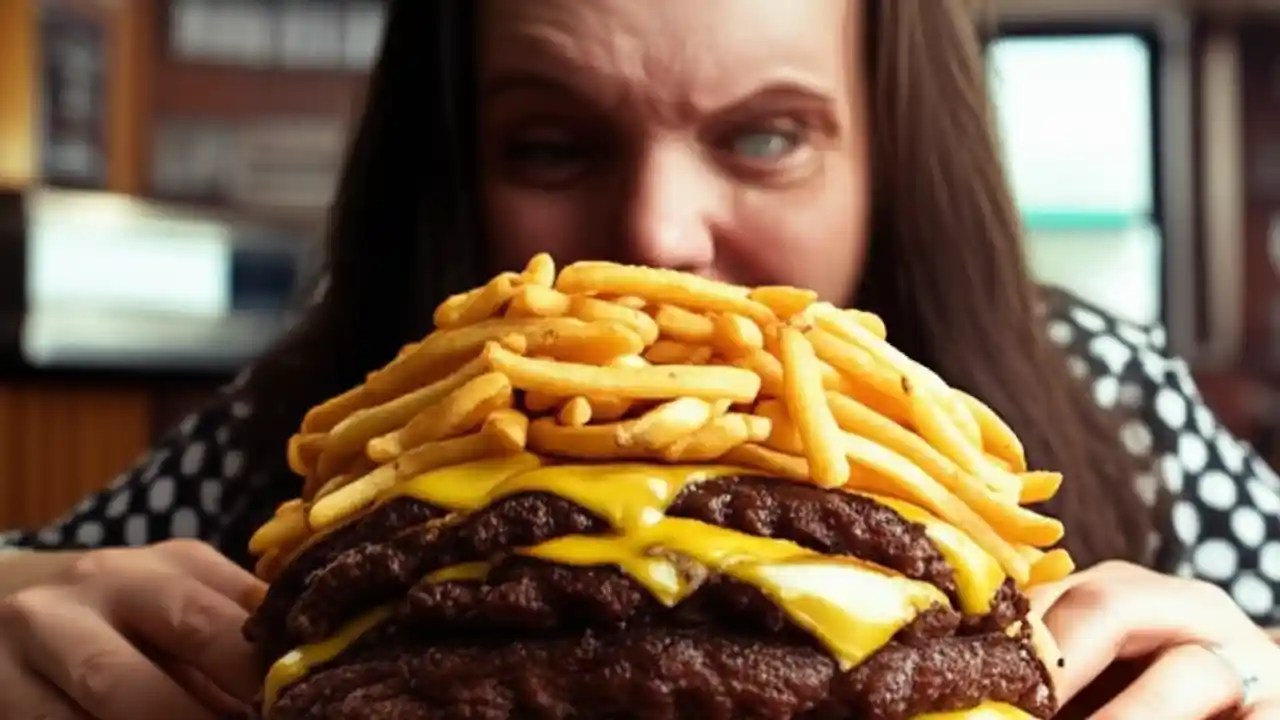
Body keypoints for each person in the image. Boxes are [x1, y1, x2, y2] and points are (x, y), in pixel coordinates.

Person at [1, 0, 1278, 718]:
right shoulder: (312, 427)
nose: (657, 239)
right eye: (552, 146)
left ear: (893, 154)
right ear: (453, 165)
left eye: (766, 137)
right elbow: (46, 593)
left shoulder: (1105, 389)